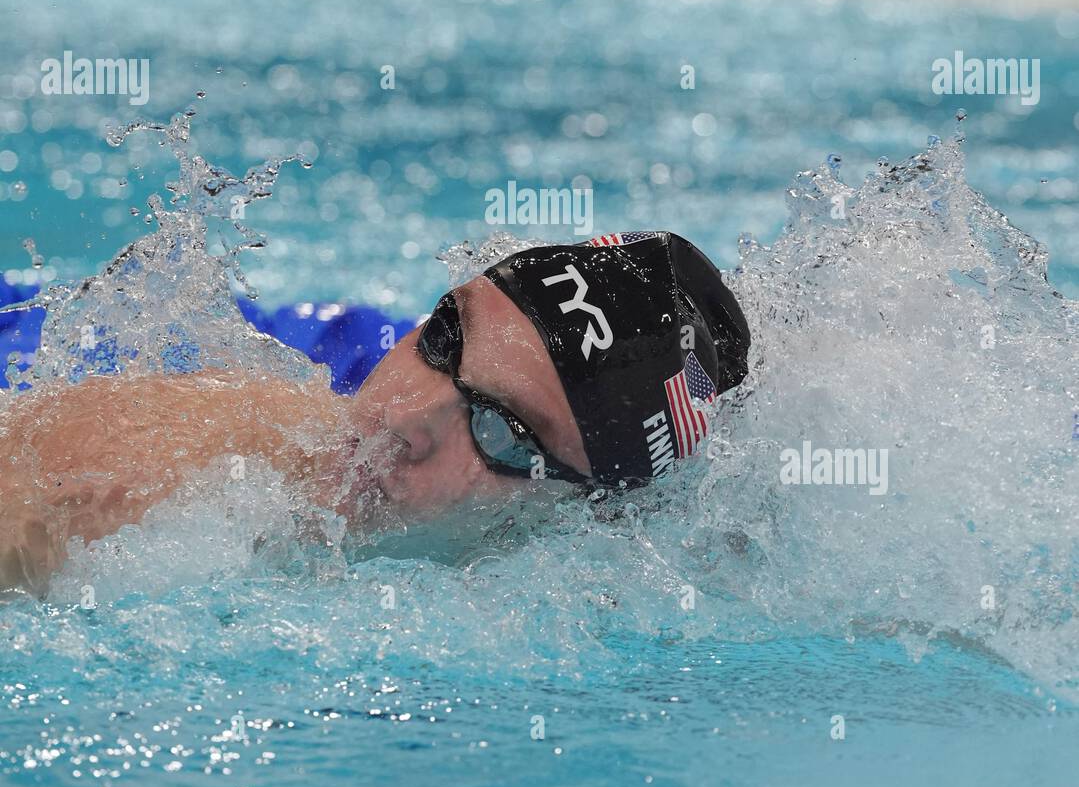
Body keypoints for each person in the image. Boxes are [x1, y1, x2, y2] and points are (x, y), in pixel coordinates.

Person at [0, 231, 750, 592]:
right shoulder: (182, 469)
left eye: (501, 431)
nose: (404, 420)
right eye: (446, 336)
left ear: (587, 511)